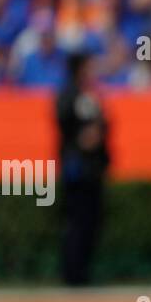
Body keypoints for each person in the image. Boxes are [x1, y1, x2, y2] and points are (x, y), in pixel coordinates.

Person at [56, 50, 110, 286]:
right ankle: (74, 274)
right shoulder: (71, 95)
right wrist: (84, 137)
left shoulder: (88, 94)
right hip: (78, 169)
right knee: (78, 222)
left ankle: (81, 272)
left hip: (91, 168)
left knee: (90, 222)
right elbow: (70, 127)